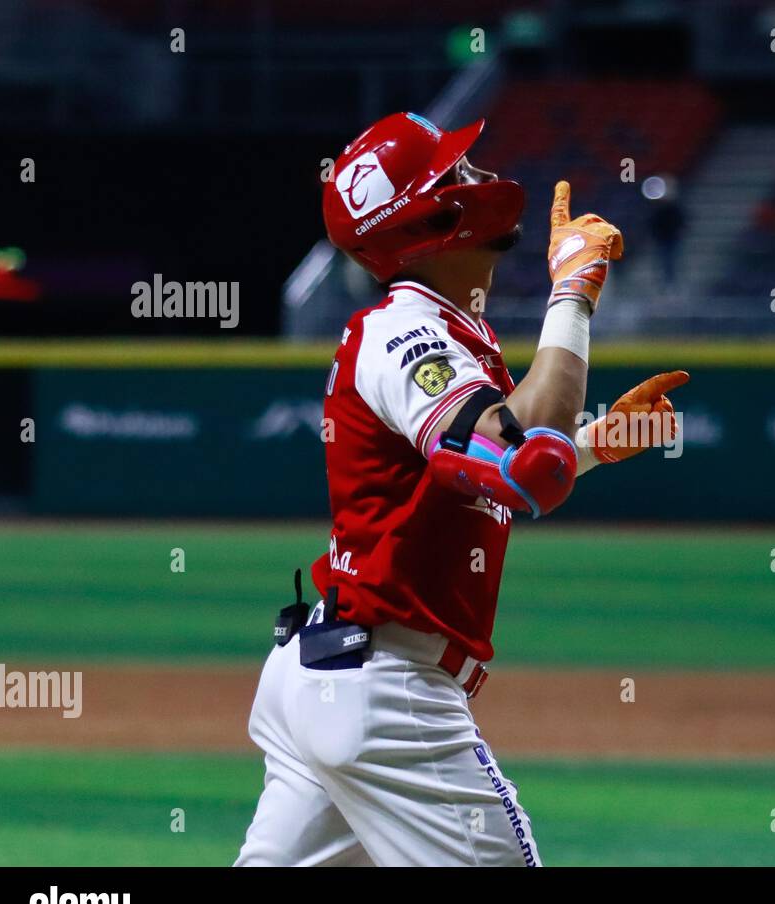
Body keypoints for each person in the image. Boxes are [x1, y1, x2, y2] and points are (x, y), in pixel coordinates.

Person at [235, 112, 687, 866]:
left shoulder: (437, 330)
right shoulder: (404, 335)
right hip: (386, 693)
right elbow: (525, 464)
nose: (478, 178)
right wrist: (573, 293)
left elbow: (493, 471)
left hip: (328, 672)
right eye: (456, 173)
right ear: (430, 217)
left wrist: (596, 446)